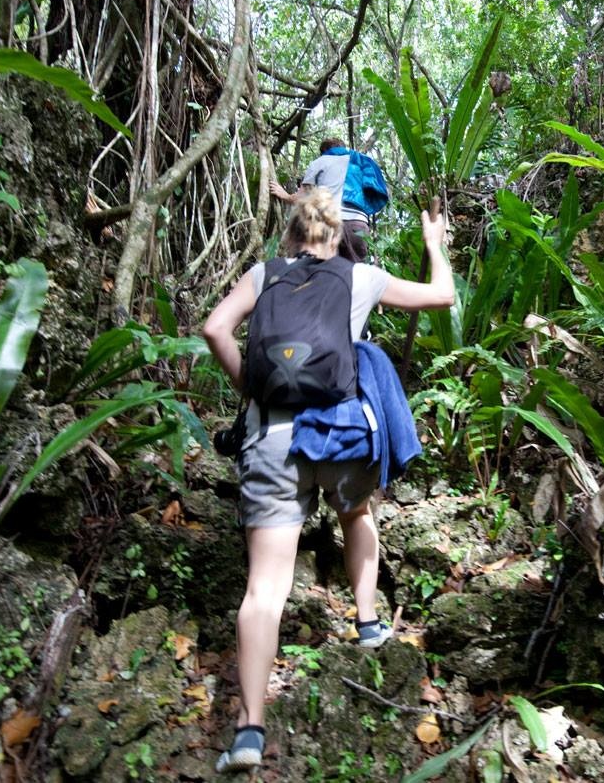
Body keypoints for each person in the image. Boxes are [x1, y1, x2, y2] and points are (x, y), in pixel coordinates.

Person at [203, 188, 452, 772]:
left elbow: (215, 329)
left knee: (264, 589)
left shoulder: (263, 273)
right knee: (358, 515)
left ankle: (248, 730)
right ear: (338, 235)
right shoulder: (359, 276)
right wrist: (433, 244)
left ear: (290, 233)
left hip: (272, 439)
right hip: (341, 436)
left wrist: (253, 392)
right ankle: (366, 623)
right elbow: (442, 296)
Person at [269, 138, 382, 263]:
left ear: (324, 151)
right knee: (354, 275)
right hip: (357, 226)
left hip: (327, 224)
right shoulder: (361, 164)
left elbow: (302, 198)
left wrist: (284, 195)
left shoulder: (320, 162)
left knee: (321, 273)